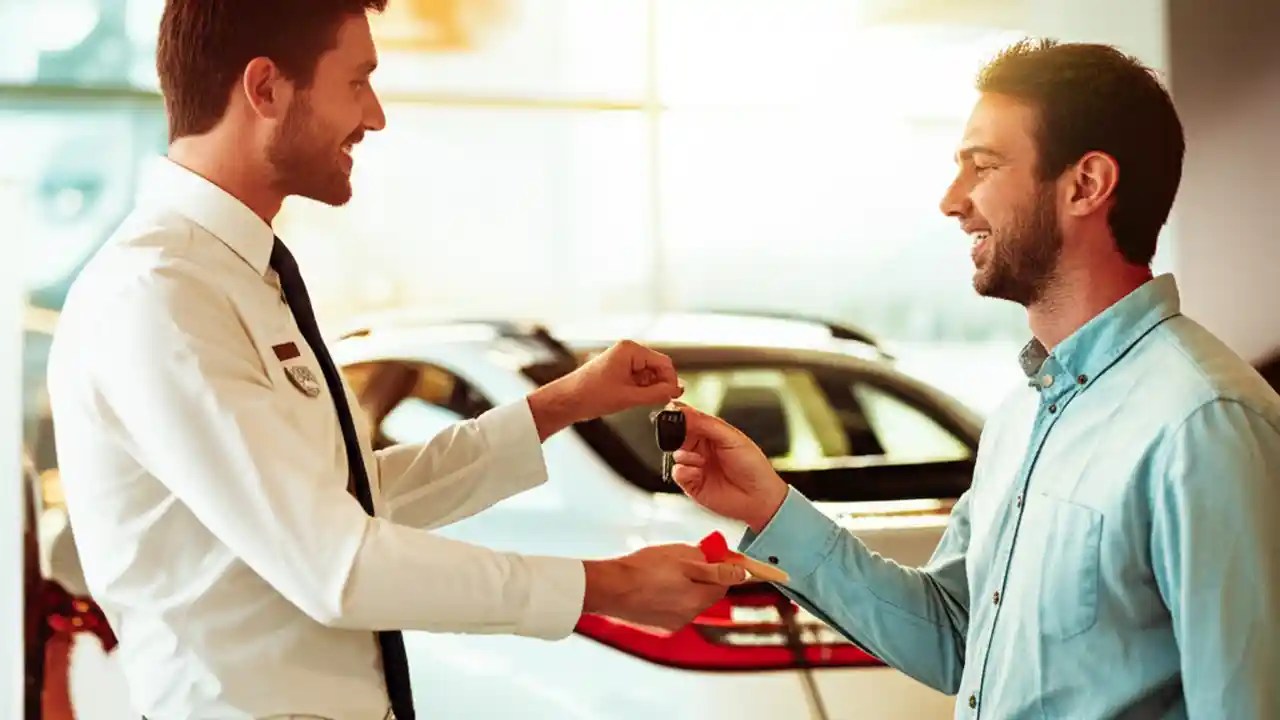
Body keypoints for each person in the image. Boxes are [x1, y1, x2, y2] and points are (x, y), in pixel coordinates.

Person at [45, 2, 746, 718]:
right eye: (357, 82)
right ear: (265, 90)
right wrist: (612, 587)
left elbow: (353, 499)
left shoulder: (237, 277)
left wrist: (562, 404)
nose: (374, 117)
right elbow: (336, 563)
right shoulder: (158, 295)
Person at [669, 38, 1280, 719]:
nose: (952, 201)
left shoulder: (1205, 421)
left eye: (981, 166)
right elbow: (956, 638)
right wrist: (771, 509)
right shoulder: (1025, 415)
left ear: (1085, 185)